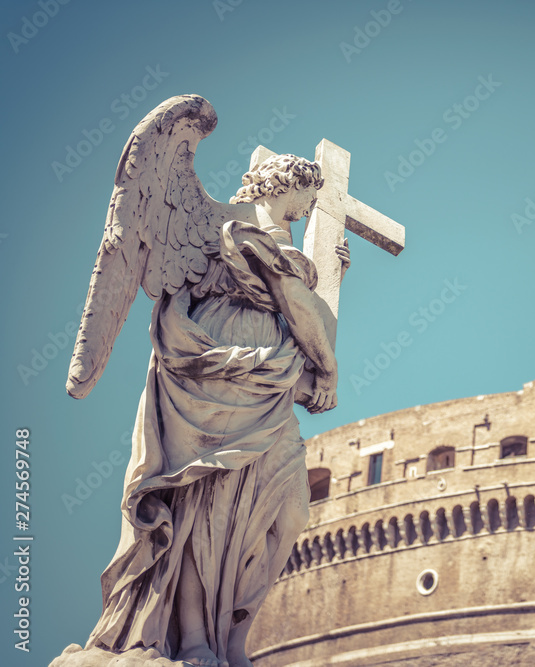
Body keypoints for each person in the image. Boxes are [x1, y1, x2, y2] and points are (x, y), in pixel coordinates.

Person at [80, 154, 348, 667]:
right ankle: (198, 638)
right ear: (287, 185)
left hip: (271, 387)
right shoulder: (236, 231)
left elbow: (305, 318)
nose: (312, 205)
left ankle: (231, 637)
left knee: (288, 516)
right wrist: (328, 368)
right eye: (307, 195)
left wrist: (331, 283)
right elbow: (292, 302)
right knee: (204, 511)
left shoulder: (282, 243)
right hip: (218, 381)